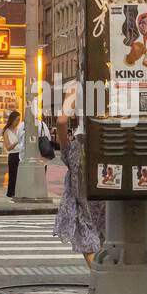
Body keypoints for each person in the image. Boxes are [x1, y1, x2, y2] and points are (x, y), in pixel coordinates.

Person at [52, 82, 104, 266]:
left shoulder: (77, 86)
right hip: (113, 148)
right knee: (107, 220)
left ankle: (101, 280)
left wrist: (66, 147)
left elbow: (61, 120)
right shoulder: (117, 79)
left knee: (86, 219)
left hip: (83, 151)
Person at [2, 109, 23, 199]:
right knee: (13, 175)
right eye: (16, 120)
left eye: (19, 120)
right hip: (13, 155)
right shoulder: (7, 131)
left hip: (21, 154)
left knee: (20, 175)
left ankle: (19, 192)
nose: (17, 122)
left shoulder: (19, 129)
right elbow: (8, 147)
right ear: (12, 120)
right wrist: (17, 142)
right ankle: (11, 192)